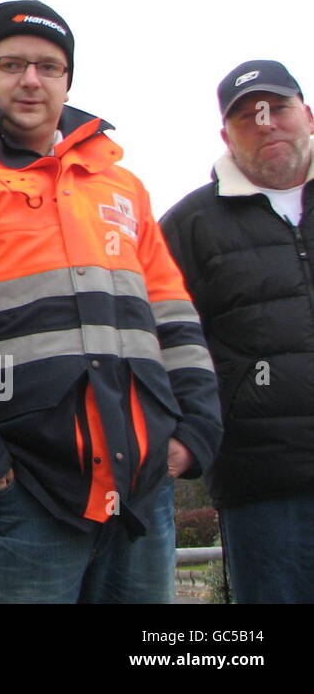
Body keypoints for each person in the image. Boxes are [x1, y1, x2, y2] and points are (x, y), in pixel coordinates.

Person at [0, 0, 222, 604]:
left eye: (49, 66)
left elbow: (174, 316)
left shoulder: (121, 183)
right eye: (11, 64)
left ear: (67, 80)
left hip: (143, 493)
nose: (31, 80)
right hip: (16, 500)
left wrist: (195, 433)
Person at [161, 59, 314, 603]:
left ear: (308, 116)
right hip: (262, 486)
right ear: (226, 136)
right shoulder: (187, 228)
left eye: (278, 109)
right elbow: (162, 344)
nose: (266, 124)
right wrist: (190, 437)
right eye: (248, 116)